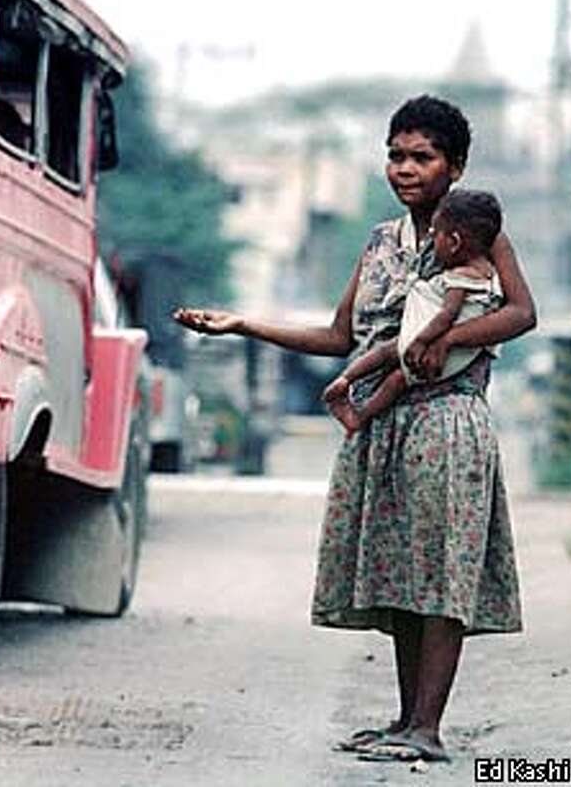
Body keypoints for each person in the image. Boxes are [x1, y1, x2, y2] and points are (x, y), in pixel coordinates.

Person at [174, 94, 536, 763]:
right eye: (395, 155)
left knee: (442, 578)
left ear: (454, 166)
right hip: (383, 429)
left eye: (422, 157)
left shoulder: (478, 233)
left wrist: (447, 335)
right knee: (401, 577)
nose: (405, 168)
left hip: (445, 423)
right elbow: (342, 335)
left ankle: (428, 727)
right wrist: (245, 322)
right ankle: (404, 720)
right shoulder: (377, 242)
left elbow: (521, 313)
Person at [322, 188, 504, 434]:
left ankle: (346, 381)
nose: (431, 239)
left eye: (435, 234)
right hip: (448, 353)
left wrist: (421, 342)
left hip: (432, 348)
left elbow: (446, 315)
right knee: (396, 378)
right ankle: (358, 413)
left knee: (388, 357)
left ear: (454, 242)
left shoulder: (462, 278)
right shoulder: (491, 277)